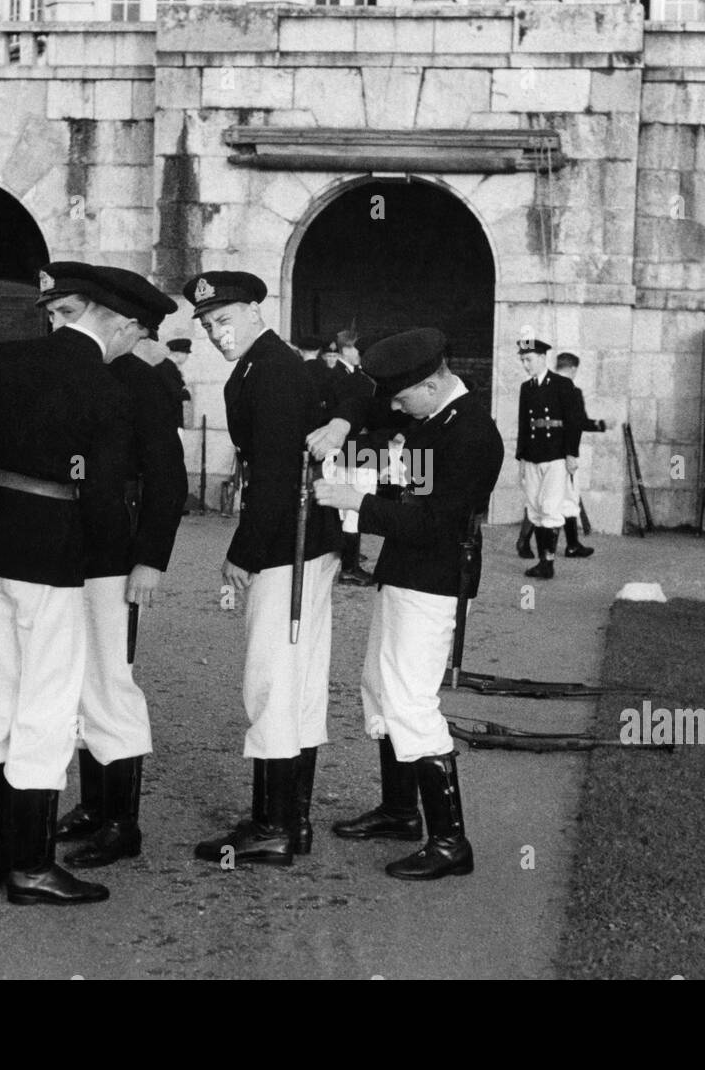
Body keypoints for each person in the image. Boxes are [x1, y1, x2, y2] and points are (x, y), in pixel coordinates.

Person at [0, 264, 157, 906]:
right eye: (136, 333)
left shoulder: (7, 361)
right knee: (46, 707)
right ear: (121, 323)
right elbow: (101, 501)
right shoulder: (106, 391)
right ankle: (33, 869)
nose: (135, 345)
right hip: (51, 563)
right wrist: (111, 564)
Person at [311, 327, 505, 880]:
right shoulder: (434, 421)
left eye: (401, 396)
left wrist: (360, 502)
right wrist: (383, 466)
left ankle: (451, 842)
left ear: (431, 382)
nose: (394, 407)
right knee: (381, 686)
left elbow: (438, 522)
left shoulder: (470, 433)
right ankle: (400, 811)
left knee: (412, 703)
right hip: (407, 574)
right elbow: (414, 490)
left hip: (435, 579)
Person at [32, 266, 189, 869]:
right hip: (59, 554)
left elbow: (167, 479)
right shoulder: (64, 374)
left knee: (109, 684)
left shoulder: (141, 383)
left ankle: (123, 825)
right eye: (51, 315)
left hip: (113, 559)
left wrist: (151, 559)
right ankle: (95, 806)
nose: (57, 325)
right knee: (72, 683)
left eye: (67, 312)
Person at [183, 271, 342, 867]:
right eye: (207, 325)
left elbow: (273, 479)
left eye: (224, 320)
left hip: (286, 544)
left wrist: (242, 554)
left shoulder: (269, 371)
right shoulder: (264, 366)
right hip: (302, 539)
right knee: (297, 680)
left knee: (273, 678)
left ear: (254, 310)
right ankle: (289, 821)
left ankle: (274, 826)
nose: (217, 334)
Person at [515, 338, 583, 578]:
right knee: (534, 506)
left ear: (543, 358)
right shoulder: (527, 388)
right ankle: (542, 561)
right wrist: (521, 458)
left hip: (555, 455)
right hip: (533, 454)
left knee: (550, 507)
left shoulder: (562, 385)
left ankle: (548, 562)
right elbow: (524, 424)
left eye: (529, 359)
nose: (525, 364)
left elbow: (574, 422)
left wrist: (571, 454)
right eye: (522, 360)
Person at [332, 326, 379, 586]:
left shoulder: (353, 378)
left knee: (349, 506)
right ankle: (349, 566)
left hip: (349, 448)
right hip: (362, 448)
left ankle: (348, 560)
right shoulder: (363, 382)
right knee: (356, 507)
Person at [553, 352, 606, 558]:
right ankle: (572, 545)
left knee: (546, 500)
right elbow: (576, 425)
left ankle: (525, 544)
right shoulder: (572, 391)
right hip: (565, 454)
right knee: (569, 499)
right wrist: (571, 454)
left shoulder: (544, 389)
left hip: (546, 454)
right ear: (573, 368)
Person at [156, 338, 192, 430]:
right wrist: (186, 393)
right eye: (186, 354)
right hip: (168, 422)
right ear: (177, 354)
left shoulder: (168, 368)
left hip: (168, 421)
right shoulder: (167, 369)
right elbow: (177, 393)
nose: (187, 357)